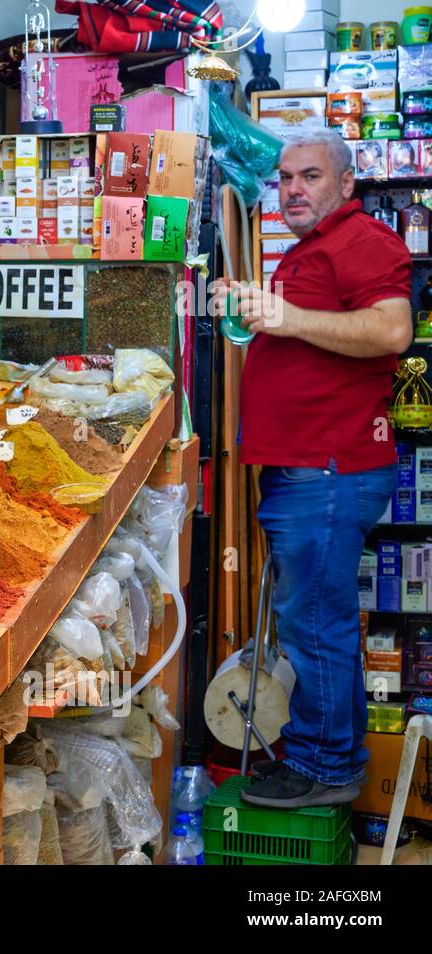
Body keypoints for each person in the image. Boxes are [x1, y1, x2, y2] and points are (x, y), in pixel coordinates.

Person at [212, 128, 413, 809]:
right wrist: (257, 315)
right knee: (315, 621)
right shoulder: (313, 251)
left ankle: (327, 768)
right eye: (286, 177)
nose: (293, 188)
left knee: (314, 625)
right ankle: (326, 755)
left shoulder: (364, 244)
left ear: (346, 185)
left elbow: (391, 330)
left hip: (329, 472)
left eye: (311, 176)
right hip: (308, 471)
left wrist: (288, 318)